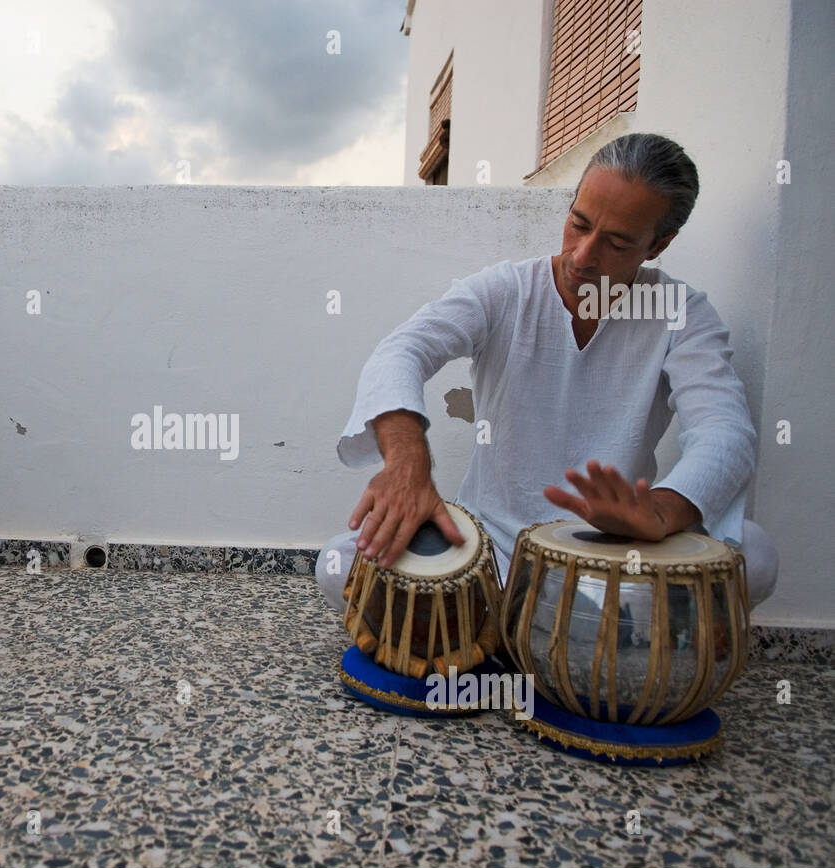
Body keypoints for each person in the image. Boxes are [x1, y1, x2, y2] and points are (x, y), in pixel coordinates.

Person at [316, 133, 778, 616]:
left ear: (658, 244)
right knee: (337, 563)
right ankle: (552, 625)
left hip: (617, 545)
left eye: (617, 243)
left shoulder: (680, 312)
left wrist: (661, 511)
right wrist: (407, 461)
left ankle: (509, 626)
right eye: (579, 223)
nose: (583, 255)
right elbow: (403, 349)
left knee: (756, 556)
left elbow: (725, 430)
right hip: (491, 548)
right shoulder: (507, 290)